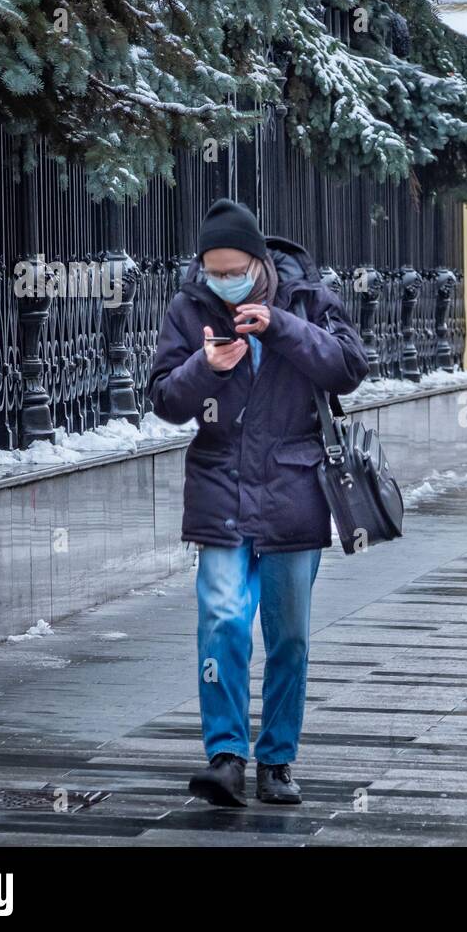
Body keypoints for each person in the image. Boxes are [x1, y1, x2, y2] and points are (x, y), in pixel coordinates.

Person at [148, 198, 369, 807]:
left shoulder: (308, 300)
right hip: (219, 488)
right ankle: (224, 757)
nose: (222, 281)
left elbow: (350, 367)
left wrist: (281, 326)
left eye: (232, 268)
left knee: (289, 635)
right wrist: (206, 365)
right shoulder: (188, 309)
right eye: (212, 271)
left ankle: (276, 761)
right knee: (220, 624)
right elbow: (166, 399)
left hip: (294, 491)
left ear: (258, 260)